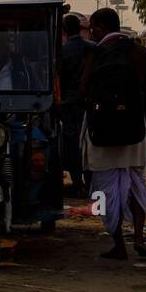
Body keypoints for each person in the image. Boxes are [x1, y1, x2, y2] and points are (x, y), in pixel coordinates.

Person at [80, 8, 146, 261]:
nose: (91, 32)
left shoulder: (95, 53)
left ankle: (118, 245)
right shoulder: (139, 52)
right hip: (135, 128)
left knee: (103, 189)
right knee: (136, 184)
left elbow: (83, 89)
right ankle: (138, 237)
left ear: (101, 27)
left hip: (101, 131)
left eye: (93, 27)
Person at [59, 14, 95, 197]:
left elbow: (59, 78)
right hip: (89, 103)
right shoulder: (92, 48)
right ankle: (91, 181)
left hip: (67, 104)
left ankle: (77, 182)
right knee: (89, 142)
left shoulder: (62, 51)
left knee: (71, 143)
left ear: (64, 30)